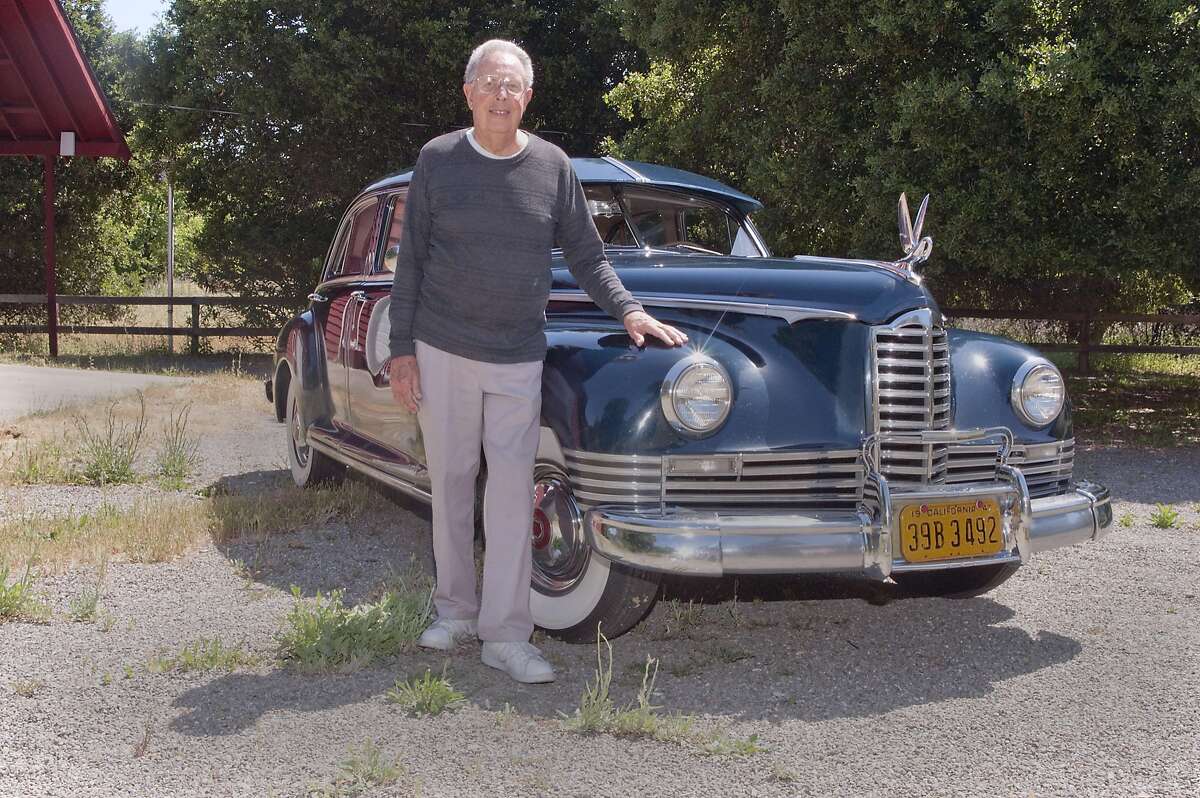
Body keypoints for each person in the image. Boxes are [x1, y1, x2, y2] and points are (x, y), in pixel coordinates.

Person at [387, 39, 687, 684]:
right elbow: (409, 262)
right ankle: (455, 611)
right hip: (441, 347)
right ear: (468, 93)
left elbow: (589, 257)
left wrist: (631, 312)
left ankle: (505, 634)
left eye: (513, 86)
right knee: (452, 483)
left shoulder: (552, 167)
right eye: (489, 83)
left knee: (512, 492)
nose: (501, 95)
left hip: (519, 355)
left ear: (528, 96)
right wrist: (402, 350)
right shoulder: (437, 160)